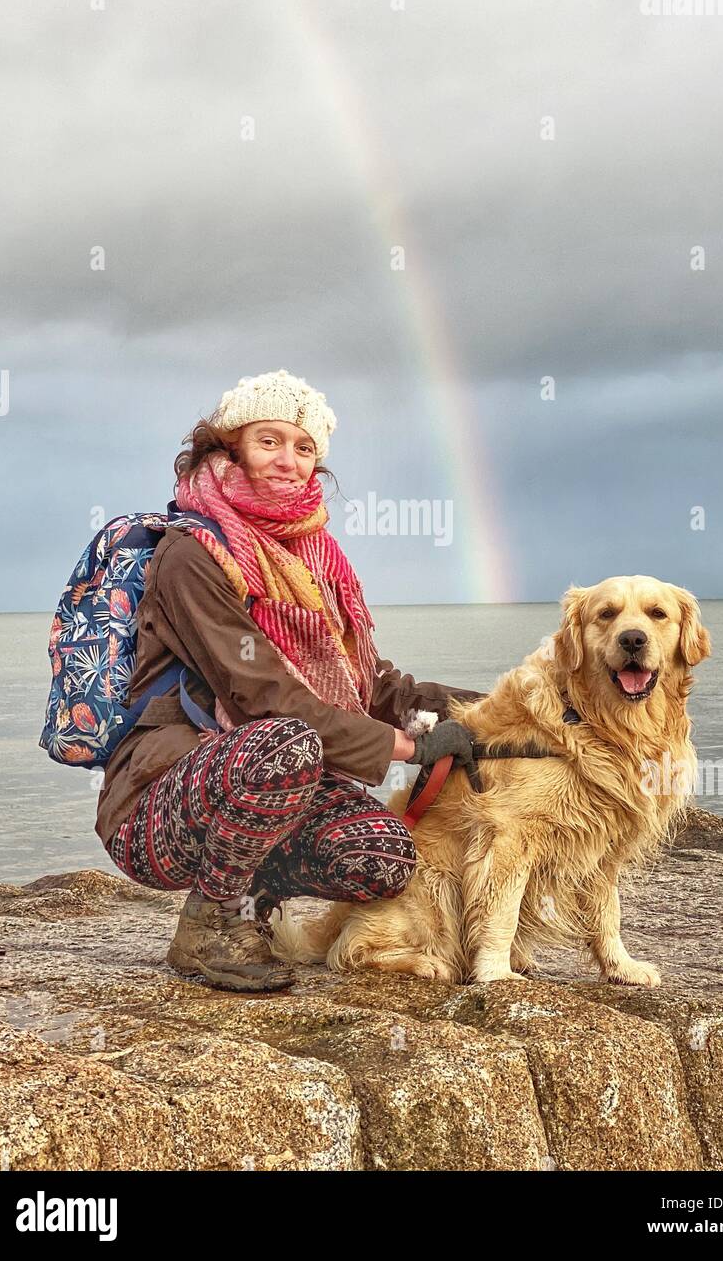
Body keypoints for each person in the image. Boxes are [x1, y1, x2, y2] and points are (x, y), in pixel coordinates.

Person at [97, 369, 485, 991]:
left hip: (269, 788)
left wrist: (502, 707)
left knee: (382, 855)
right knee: (286, 741)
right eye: (268, 440)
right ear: (228, 448)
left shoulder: (317, 560)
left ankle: (254, 905)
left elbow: (375, 685)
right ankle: (210, 924)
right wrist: (406, 748)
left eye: (304, 447)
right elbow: (266, 697)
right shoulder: (193, 555)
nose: (288, 460)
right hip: (160, 803)